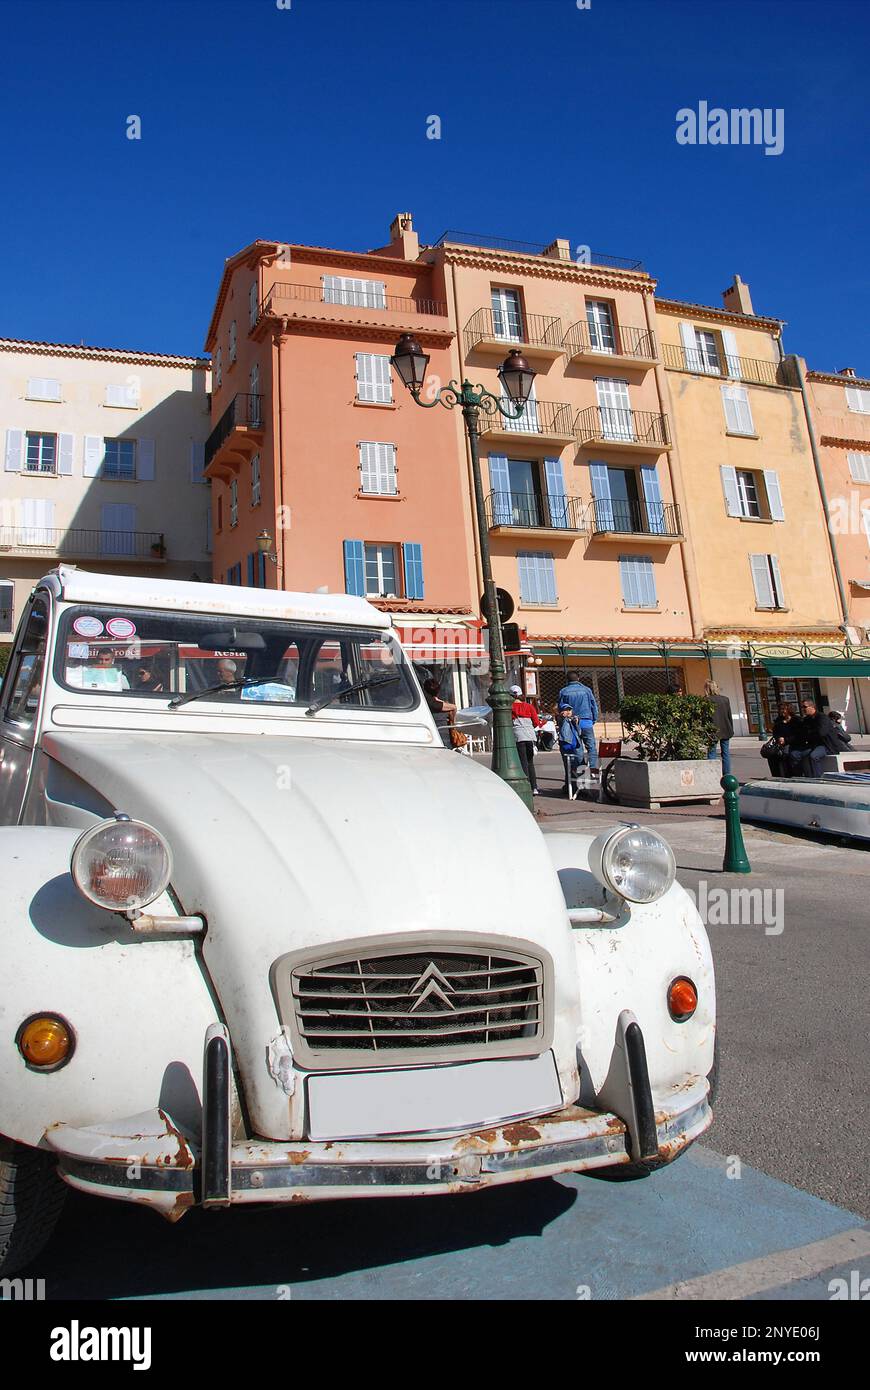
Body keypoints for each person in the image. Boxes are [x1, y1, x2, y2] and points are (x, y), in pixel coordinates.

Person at [788, 699, 847, 777]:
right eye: (802, 707)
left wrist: (809, 733)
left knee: (814, 756)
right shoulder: (807, 719)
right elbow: (802, 733)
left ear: (812, 707)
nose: (803, 709)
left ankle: (818, 777)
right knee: (795, 754)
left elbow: (821, 733)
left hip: (827, 745)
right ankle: (800, 776)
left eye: (805, 707)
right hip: (814, 745)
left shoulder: (822, 717)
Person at [557, 671, 599, 775]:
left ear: (567, 679)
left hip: (571, 723)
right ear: (578, 678)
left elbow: (560, 708)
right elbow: (594, 706)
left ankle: (581, 769)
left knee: (577, 748)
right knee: (591, 746)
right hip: (586, 721)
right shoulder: (586, 690)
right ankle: (593, 767)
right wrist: (593, 719)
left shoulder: (564, 691)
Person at [510, 685, 541, 795]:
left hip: (519, 736)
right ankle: (534, 787)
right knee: (530, 762)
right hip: (530, 737)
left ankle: (526, 785)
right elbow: (537, 723)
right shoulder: (529, 706)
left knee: (522, 762)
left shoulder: (510, 707)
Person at [66, 646, 130, 692]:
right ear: (96, 659)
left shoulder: (121, 678)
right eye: (101, 659)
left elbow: (125, 693)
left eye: (107, 660)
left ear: (112, 660)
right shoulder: (87, 673)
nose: (103, 662)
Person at [704, 679, 734, 775]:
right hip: (726, 728)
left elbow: (704, 717)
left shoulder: (706, 700)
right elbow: (729, 715)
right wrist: (731, 728)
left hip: (712, 730)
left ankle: (712, 774)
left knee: (712, 752)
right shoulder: (725, 699)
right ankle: (727, 774)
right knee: (725, 753)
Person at [761, 702, 798, 777]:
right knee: (771, 754)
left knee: (785, 754)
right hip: (779, 743)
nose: (782, 711)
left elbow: (797, 734)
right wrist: (779, 738)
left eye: (784, 709)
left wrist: (786, 740)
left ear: (789, 710)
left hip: (791, 743)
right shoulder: (779, 720)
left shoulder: (796, 720)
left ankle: (788, 775)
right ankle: (776, 775)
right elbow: (775, 732)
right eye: (781, 709)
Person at [557, 703, 585, 795]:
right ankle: (571, 788)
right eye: (566, 710)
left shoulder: (573, 719)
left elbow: (579, 732)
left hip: (577, 745)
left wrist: (576, 722)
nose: (568, 712)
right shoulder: (561, 719)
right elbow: (560, 720)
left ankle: (580, 788)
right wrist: (563, 716)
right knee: (569, 767)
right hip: (567, 745)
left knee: (580, 766)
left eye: (570, 710)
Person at [422, 676, 456, 748]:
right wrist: (452, 721)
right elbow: (454, 707)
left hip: (428, 735)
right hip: (443, 735)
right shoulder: (436, 704)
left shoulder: (424, 702)